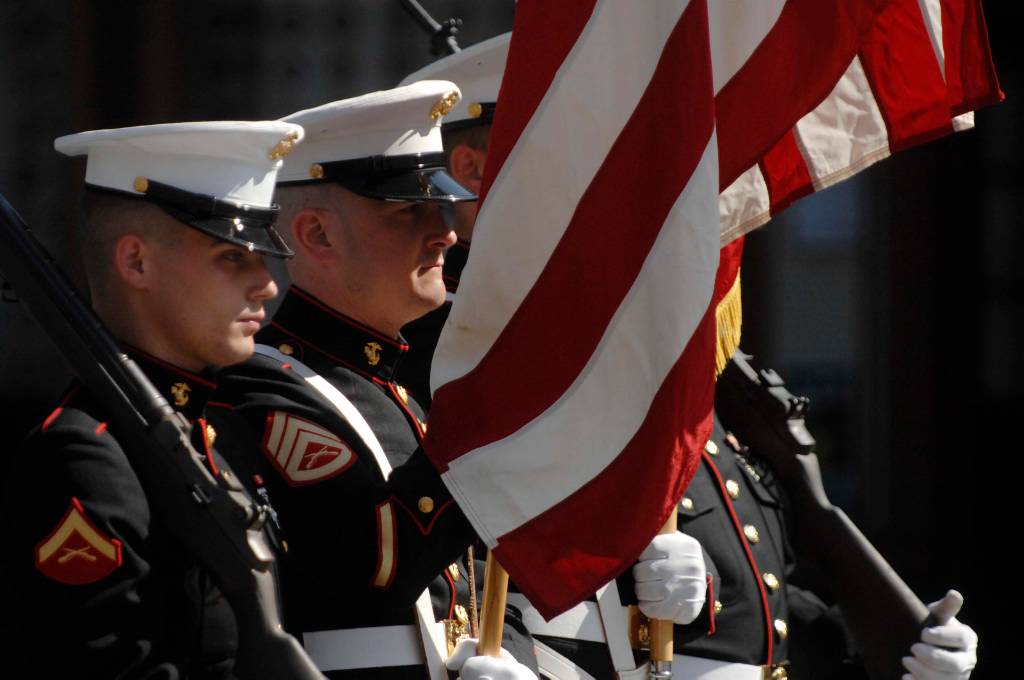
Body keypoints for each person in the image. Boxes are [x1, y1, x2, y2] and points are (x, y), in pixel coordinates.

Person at [395, 36, 980, 680]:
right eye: (591, 149)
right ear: (474, 171)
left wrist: (898, 648)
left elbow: (763, 602)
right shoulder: (453, 350)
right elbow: (452, 558)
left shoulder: (648, 336)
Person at [210, 80, 539, 680]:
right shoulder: (265, 384)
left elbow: (472, 574)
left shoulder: (396, 388)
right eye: (408, 210)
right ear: (317, 235)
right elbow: (379, 561)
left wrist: (511, 653)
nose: (445, 232)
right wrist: (486, 413)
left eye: (440, 207)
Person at [0, 119, 303, 678]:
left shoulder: (216, 432)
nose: (266, 284)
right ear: (137, 262)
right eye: (233, 256)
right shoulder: (85, 458)